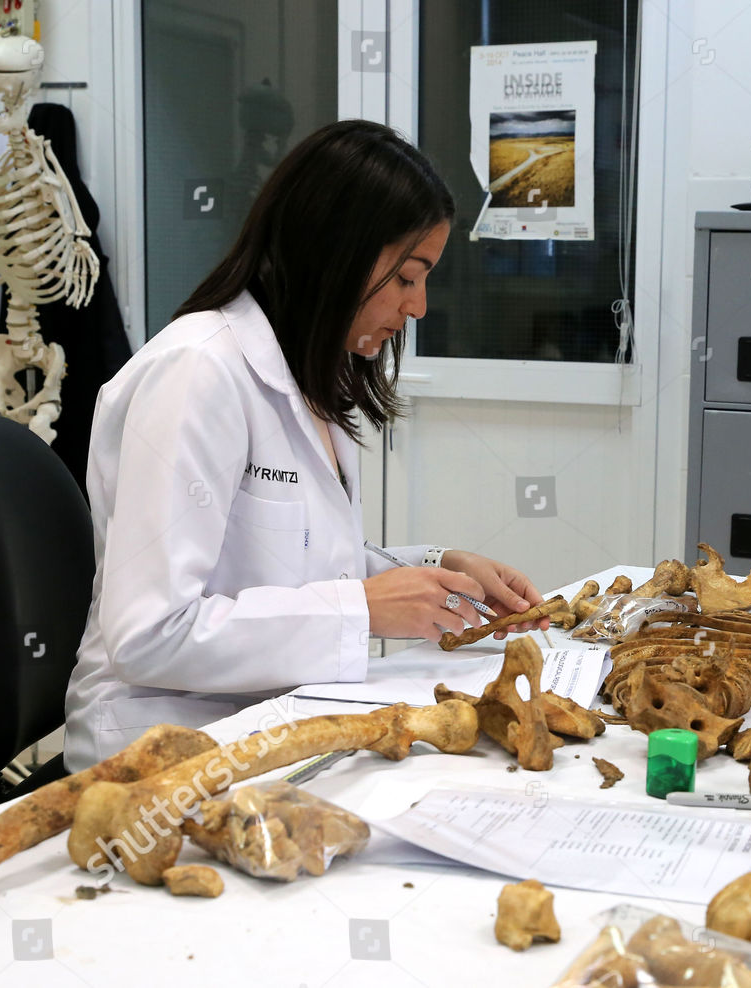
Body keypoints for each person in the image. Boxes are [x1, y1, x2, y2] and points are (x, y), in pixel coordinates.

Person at [64, 120, 549, 769]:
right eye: (408, 277)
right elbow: (149, 636)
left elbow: (295, 564)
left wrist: (439, 572)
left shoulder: (304, 378)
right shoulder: (198, 373)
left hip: (272, 720)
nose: (420, 306)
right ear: (335, 251)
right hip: (162, 749)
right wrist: (363, 609)